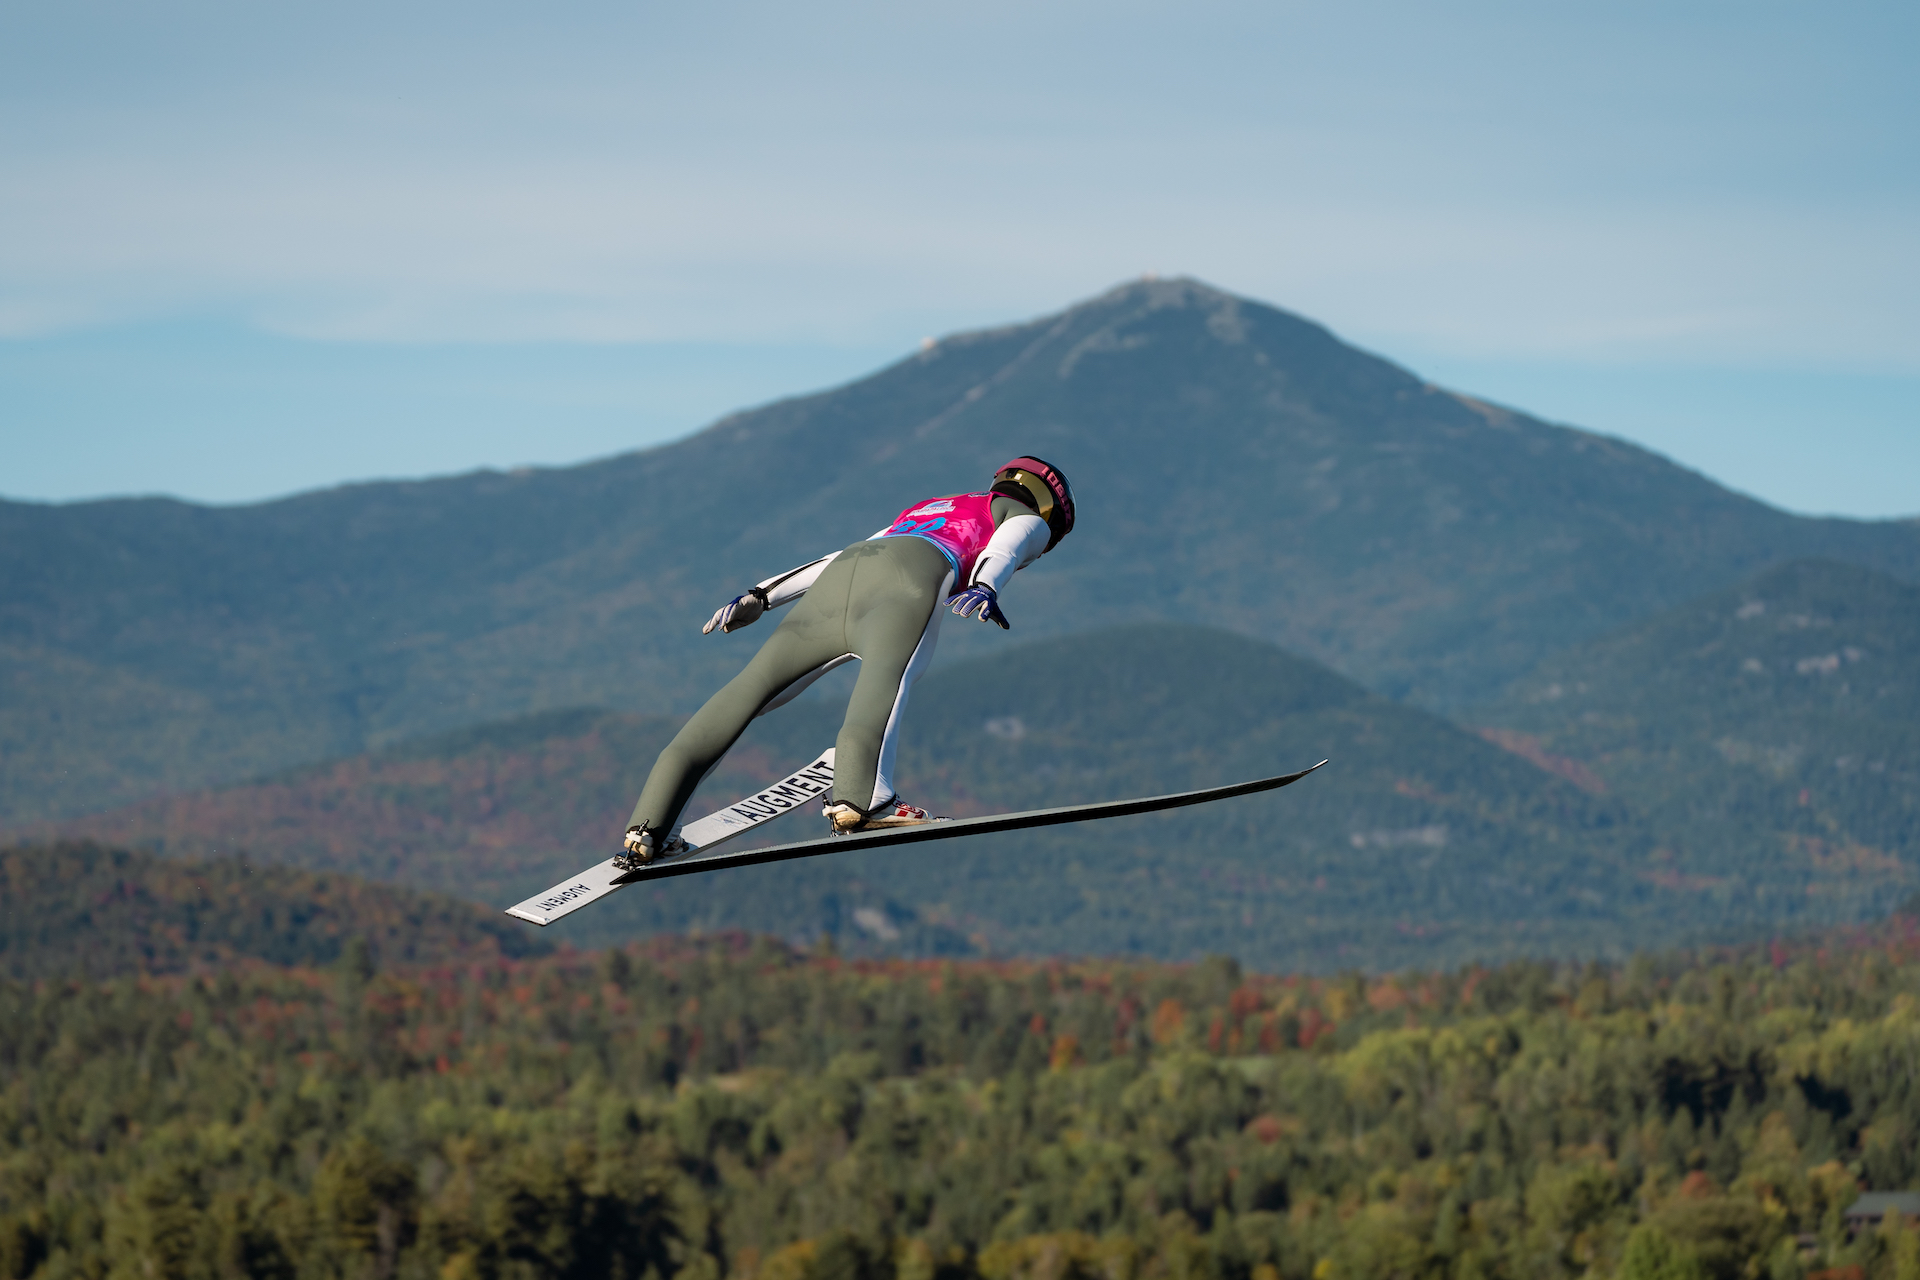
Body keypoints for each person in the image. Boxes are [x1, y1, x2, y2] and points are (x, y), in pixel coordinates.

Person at [615, 456, 1075, 866]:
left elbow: (846, 553)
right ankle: (863, 800)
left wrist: (762, 594)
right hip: (913, 574)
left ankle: (651, 823)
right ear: (1049, 507)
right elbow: (1010, 544)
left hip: (845, 574)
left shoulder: (933, 505)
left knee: (747, 689)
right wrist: (987, 584)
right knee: (885, 679)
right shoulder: (1023, 515)